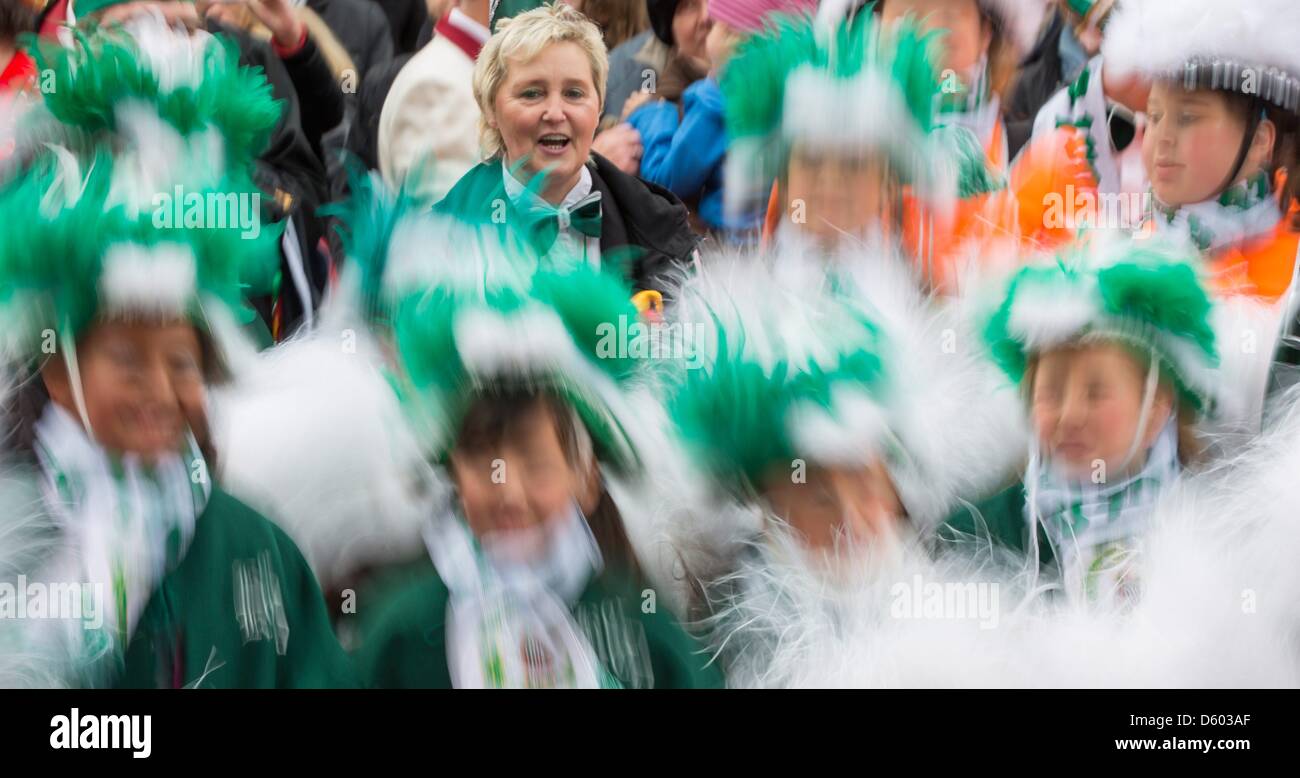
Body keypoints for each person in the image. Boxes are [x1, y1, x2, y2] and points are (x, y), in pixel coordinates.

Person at [0, 22, 354, 688]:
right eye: (128, 362)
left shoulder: (254, 548)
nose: (160, 390)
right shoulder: (17, 543)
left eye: (183, 362)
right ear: (57, 367)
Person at [355, 224, 721, 688]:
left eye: (534, 461)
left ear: (587, 477)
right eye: (482, 460)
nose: (508, 490)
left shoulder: (648, 639)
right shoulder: (403, 636)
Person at [941, 236, 1222, 603]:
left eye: (1096, 392)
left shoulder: (1217, 522)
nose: (1070, 415)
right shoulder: (978, 539)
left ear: (1156, 408)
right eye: (1051, 393)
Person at [436, 2, 698, 297]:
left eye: (574, 93)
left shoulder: (657, 226)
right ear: (491, 109)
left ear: (598, 107)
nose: (555, 113)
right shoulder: (440, 237)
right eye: (532, 93)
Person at [627, 0, 818, 239]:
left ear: (733, 40)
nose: (706, 22)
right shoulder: (799, 98)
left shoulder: (715, 104)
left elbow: (666, 182)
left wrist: (653, 114)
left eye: (716, 23)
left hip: (724, 254)